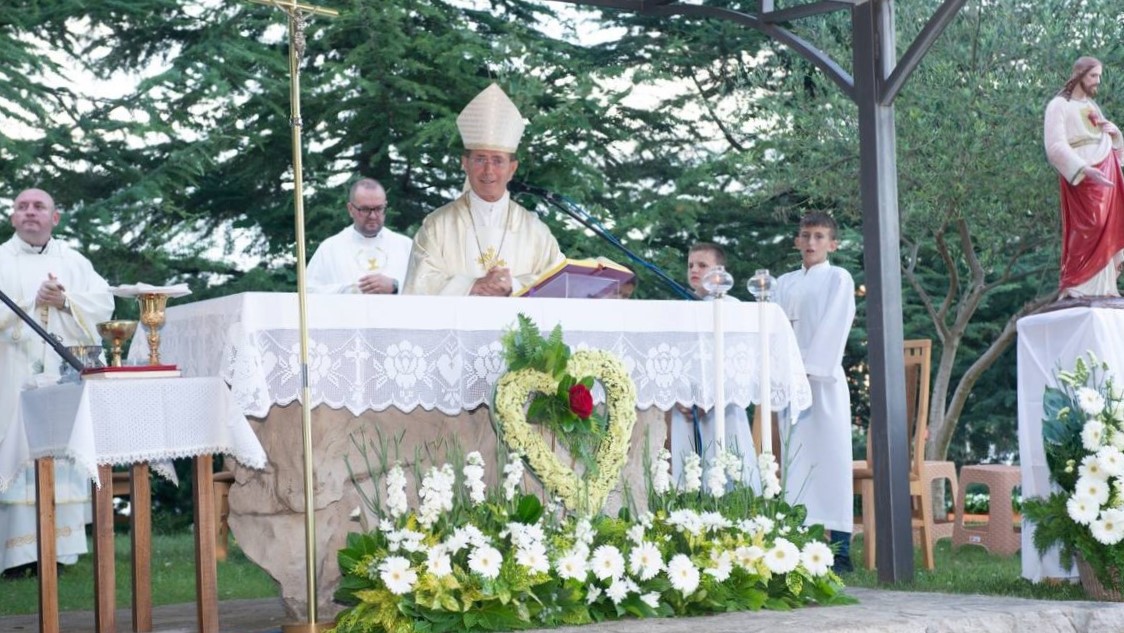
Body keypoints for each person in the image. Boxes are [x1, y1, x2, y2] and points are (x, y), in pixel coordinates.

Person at [0, 188, 114, 577]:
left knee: (61, 449)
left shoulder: (74, 261)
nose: (30, 212)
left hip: (60, 379)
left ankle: (59, 553)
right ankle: (16, 557)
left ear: (55, 218)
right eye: (22, 207)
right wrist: (34, 302)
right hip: (11, 374)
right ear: (13, 217)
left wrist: (65, 302)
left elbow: (104, 302)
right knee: (14, 451)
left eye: (39, 207)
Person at [403, 83, 564, 296]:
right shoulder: (437, 226)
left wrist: (512, 286)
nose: (488, 170)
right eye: (480, 159)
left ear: (512, 168)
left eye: (498, 161)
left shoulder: (535, 231)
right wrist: (473, 285)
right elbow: (419, 285)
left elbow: (558, 284)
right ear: (465, 163)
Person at [773, 212, 856, 573]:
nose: (811, 243)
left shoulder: (839, 278)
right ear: (796, 241)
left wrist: (807, 367)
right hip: (788, 383)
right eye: (805, 235)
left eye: (820, 237)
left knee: (832, 459)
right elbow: (771, 325)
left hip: (822, 381)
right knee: (796, 460)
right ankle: (798, 545)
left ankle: (840, 549)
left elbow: (835, 324)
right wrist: (782, 367)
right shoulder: (782, 283)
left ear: (833, 244)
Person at [668, 242, 754, 483]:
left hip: (722, 404)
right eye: (690, 265)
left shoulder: (731, 308)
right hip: (686, 403)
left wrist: (711, 398)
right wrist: (681, 394)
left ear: (720, 272)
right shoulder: (682, 309)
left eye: (702, 265)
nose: (694, 270)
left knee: (727, 465)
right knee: (688, 469)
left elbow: (738, 361)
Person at [1043, 55, 1124, 298]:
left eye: (1099, 76)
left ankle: (1106, 288)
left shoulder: (1091, 106)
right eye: (1093, 76)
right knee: (1090, 225)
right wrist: (1083, 169)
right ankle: (1078, 285)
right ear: (1079, 75)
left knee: (1110, 225)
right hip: (1083, 176)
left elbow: (1107, 141)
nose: (1097, 81)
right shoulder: (1059, 106)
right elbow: (1055, 146)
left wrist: (1116, 135)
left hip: (1106, 171)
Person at [306, 178, 412, 294]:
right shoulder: (329, 249)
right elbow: (308, 292)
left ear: (385, 206)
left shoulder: (406, 246)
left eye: (378, 209)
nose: (373, 216)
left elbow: (428, 289)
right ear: (350, 209)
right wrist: (348, 291)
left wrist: (396, 287)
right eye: (365, 209)